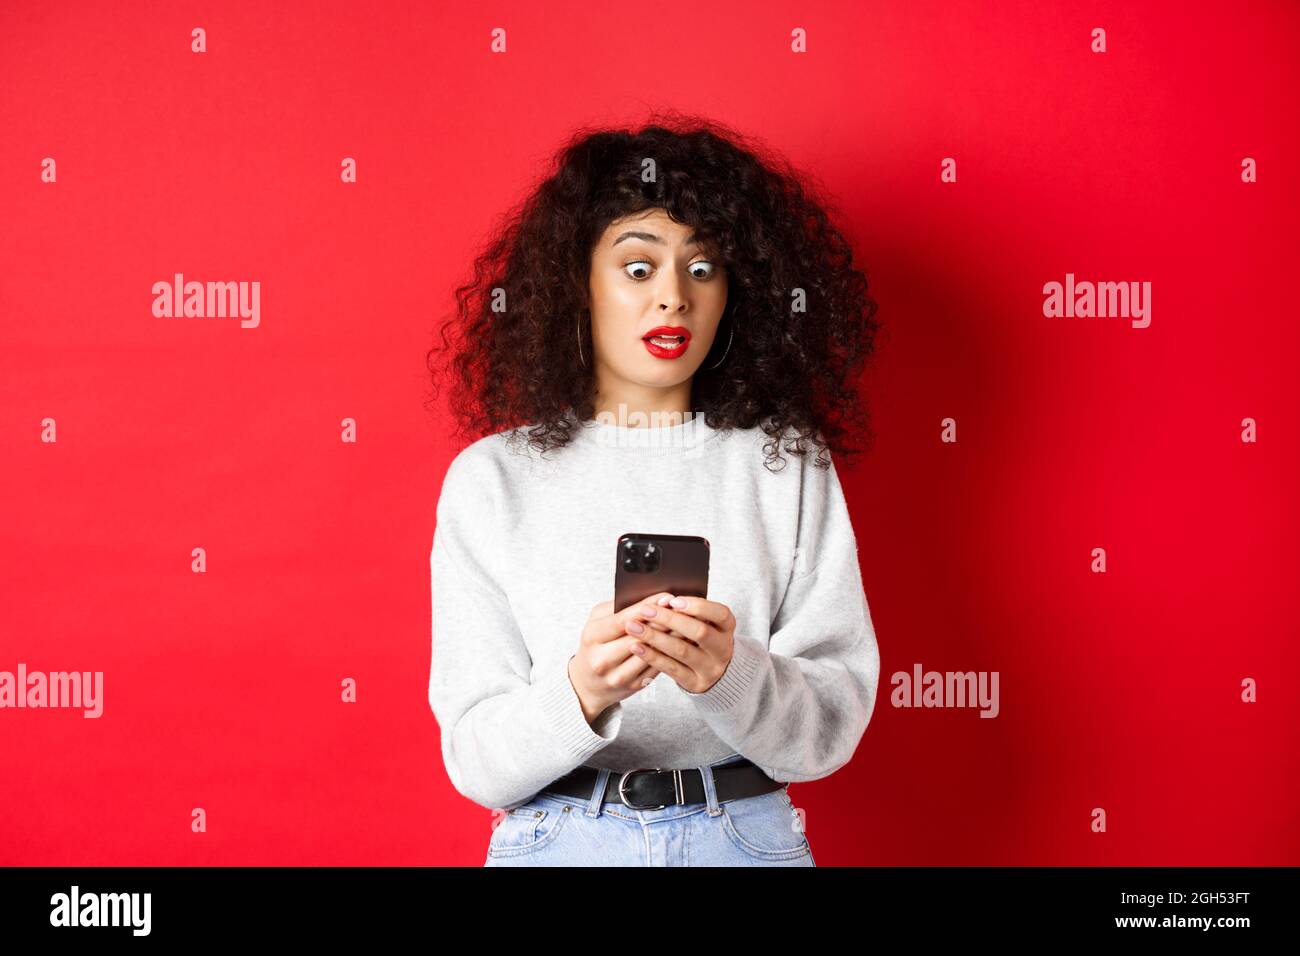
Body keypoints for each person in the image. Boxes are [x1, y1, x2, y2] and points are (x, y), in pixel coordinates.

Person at [425, 114, 882, 866]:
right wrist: (580, 690)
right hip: (556, 842)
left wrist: (730, 677)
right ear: (580, 284)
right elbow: (476, 763)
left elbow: (829, 732)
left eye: (702, 268)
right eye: (638, 268)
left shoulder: (786, 463)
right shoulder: (491, 481)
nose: (673, 297)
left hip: (744, 841)